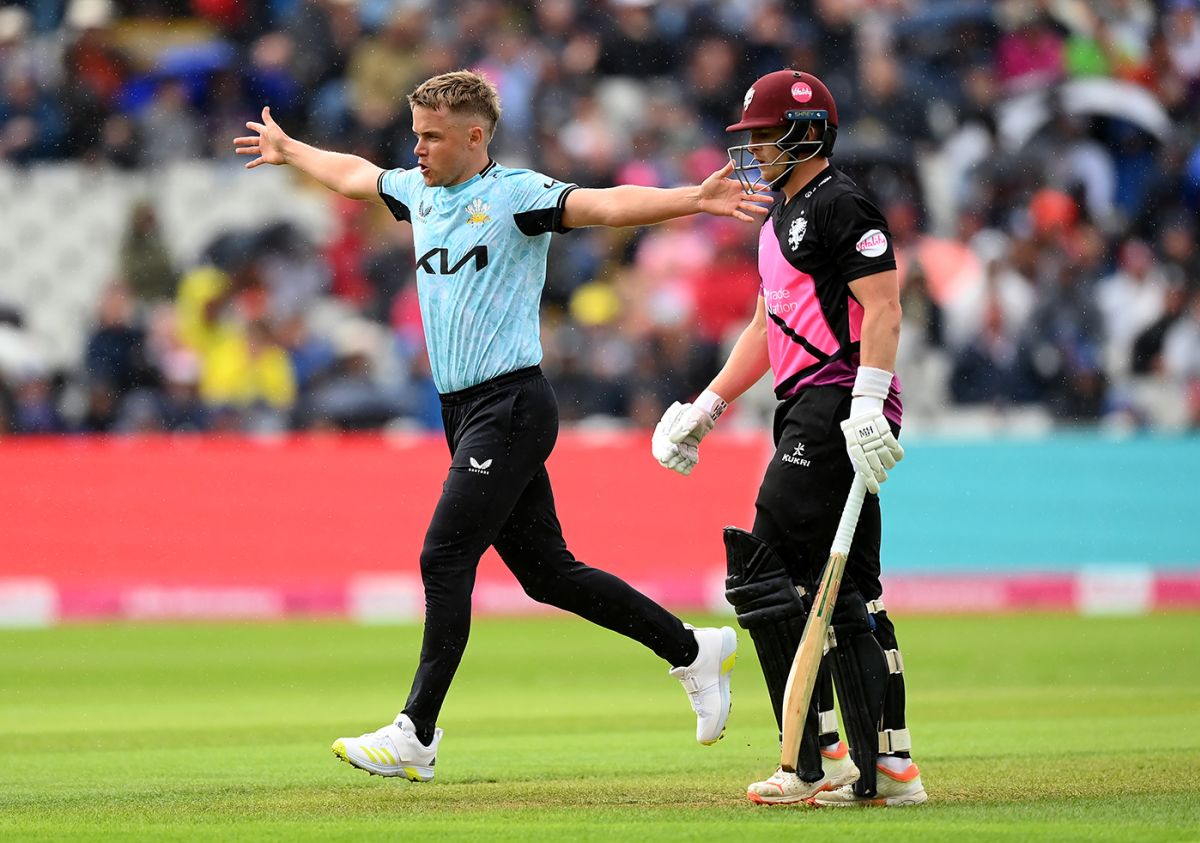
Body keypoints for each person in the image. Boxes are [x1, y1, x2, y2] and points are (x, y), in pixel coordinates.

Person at [235, 70, 773, 781]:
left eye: (432, 136)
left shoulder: (515, 194)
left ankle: (416, 732)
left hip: (511, 405)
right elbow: (357, 176)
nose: (418, 148)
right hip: (465, 413)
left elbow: (605, 206)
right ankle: (691, 649)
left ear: (475, 136)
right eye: (416, 134)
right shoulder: (418, 193)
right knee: (549, 574)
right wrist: (290, 147)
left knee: (443, 555)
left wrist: (693, 199)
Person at [651, 70, 926, 807]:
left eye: (766, 135)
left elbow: (885, 306)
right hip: (809, 402)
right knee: (849, 589)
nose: (754, 151)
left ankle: (812, 759)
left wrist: (868, 400)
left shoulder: (840, 202)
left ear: (806, 132)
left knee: (763, 571)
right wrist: (707, 406)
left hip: (836, 401)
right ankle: (887, 766)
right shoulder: (779, 220)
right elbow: (768, 326)